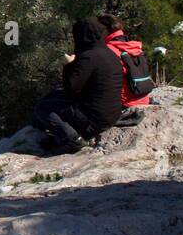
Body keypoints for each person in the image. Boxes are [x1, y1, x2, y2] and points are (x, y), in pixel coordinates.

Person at [30, 17, 124, 153]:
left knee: (43, 108)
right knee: (55, 95)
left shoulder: (89, 57)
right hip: (111, 114)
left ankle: (73, 140)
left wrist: (69, 65)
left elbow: (71, 88)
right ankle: (60, 134)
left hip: (94, 120)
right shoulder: (109, 53)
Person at [98, 13, 150, 118]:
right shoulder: (134, 47)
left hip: (124, 104)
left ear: (103, 30)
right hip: (143, 100)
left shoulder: (108, 50)